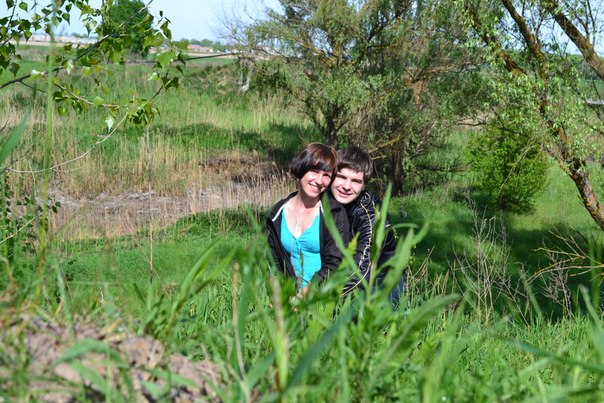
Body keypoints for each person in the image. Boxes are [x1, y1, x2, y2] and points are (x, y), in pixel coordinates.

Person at [266, 143, 350, 293]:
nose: (319, 181)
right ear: (301, 168)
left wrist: (302, 298)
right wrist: (279, 298)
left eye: (326, 175)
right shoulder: (277, 213)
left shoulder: (334, 213)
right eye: (314, 171)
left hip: (321, 296)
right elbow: (273, 263)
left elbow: (334, 265)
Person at [330, 146, 406, 306]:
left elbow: (362, 271)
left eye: (356, 181)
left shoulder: (371, 215)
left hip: (380, 282)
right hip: (342, 273)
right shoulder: (323, 198)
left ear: (364, 185)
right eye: (341, 177)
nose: (346, 186)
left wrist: (323, 296)